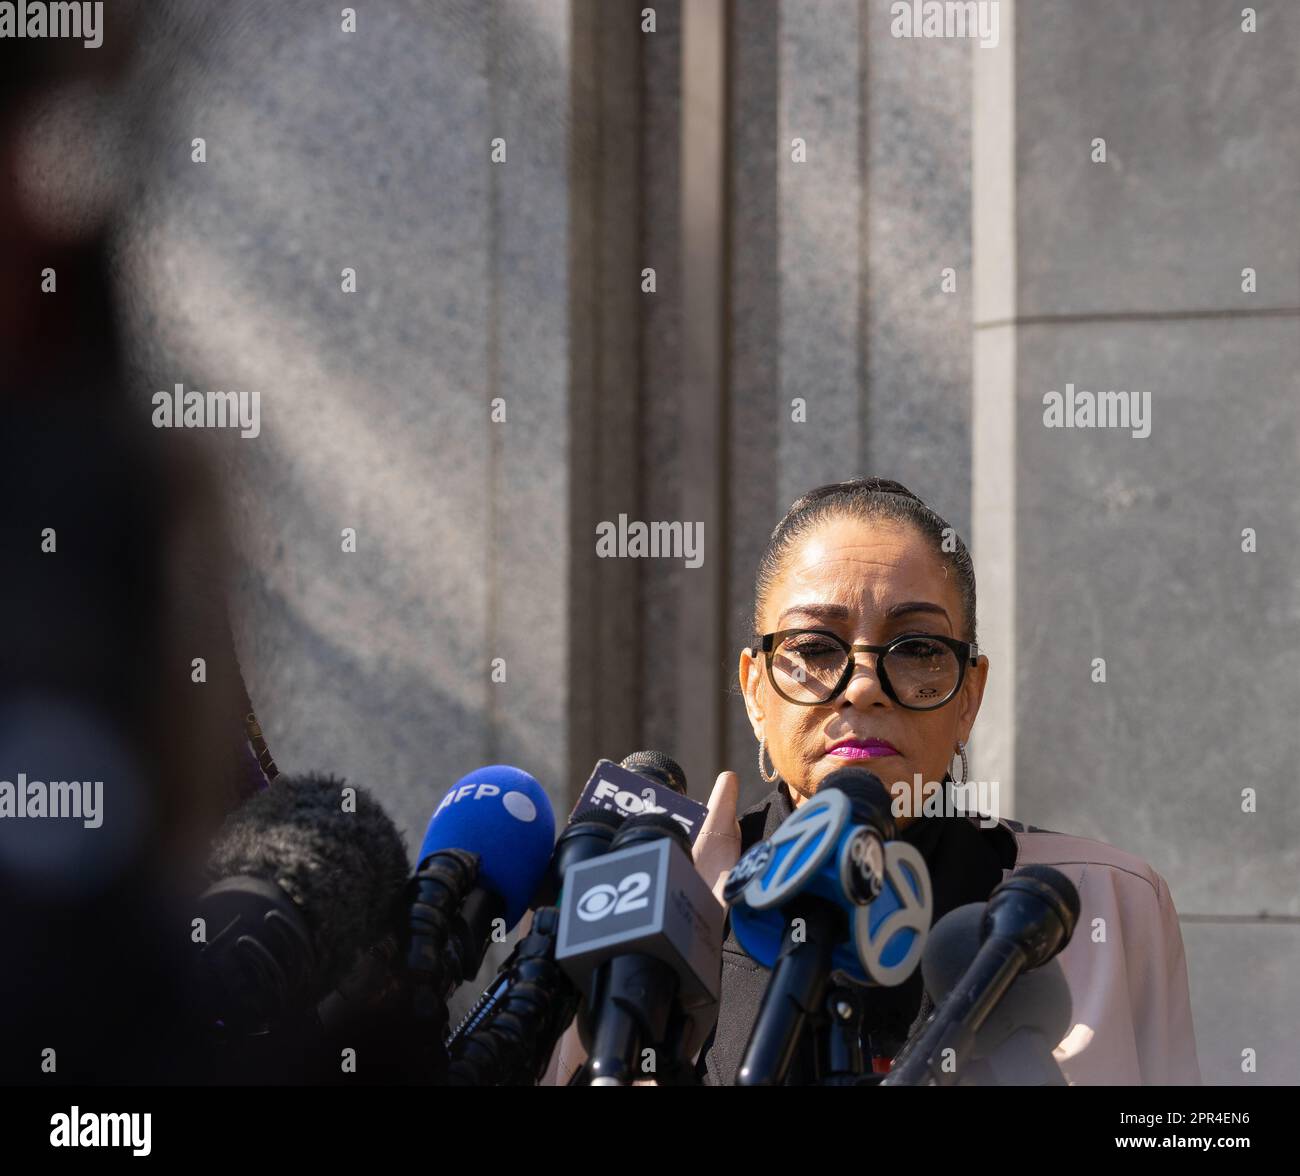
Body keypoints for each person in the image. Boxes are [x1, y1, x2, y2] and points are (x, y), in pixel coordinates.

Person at [689, 476, 1201, 1085]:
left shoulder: (1107, 905)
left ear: (969, 697)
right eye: (814, 647)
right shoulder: (662, 908)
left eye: (918, 649)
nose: (862, 685)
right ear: (755, 692)